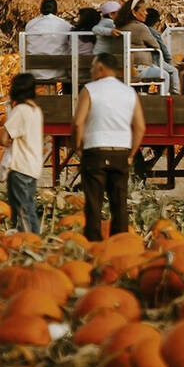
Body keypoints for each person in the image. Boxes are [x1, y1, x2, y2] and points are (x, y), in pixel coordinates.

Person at [71, 54, 145, 241]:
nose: (91, 70)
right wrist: (131, 153)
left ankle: (94, 243)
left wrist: (78, 146)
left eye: (93, 67)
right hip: (120, 151)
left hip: (95, 149)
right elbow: (140, 127)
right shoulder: (129, 92)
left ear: (101, 68)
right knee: (119, 202)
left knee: (94, 202)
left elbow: (78, 123)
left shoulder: (89, 90)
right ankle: (120, 242)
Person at [1, 73, 44, 234]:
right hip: (33, 167)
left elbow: (5, 136)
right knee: (28, 204)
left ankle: (31, 239)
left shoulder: (20, 110)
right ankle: (32, 237)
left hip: (20, 166)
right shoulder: (36, 110)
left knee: (21, 208)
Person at [23, 0, 72, 81]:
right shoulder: (64, 25)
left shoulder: (31, 24)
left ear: (41, 9)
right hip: (58, 71)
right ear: (56, 10)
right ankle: (65, 93)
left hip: (34, 71)